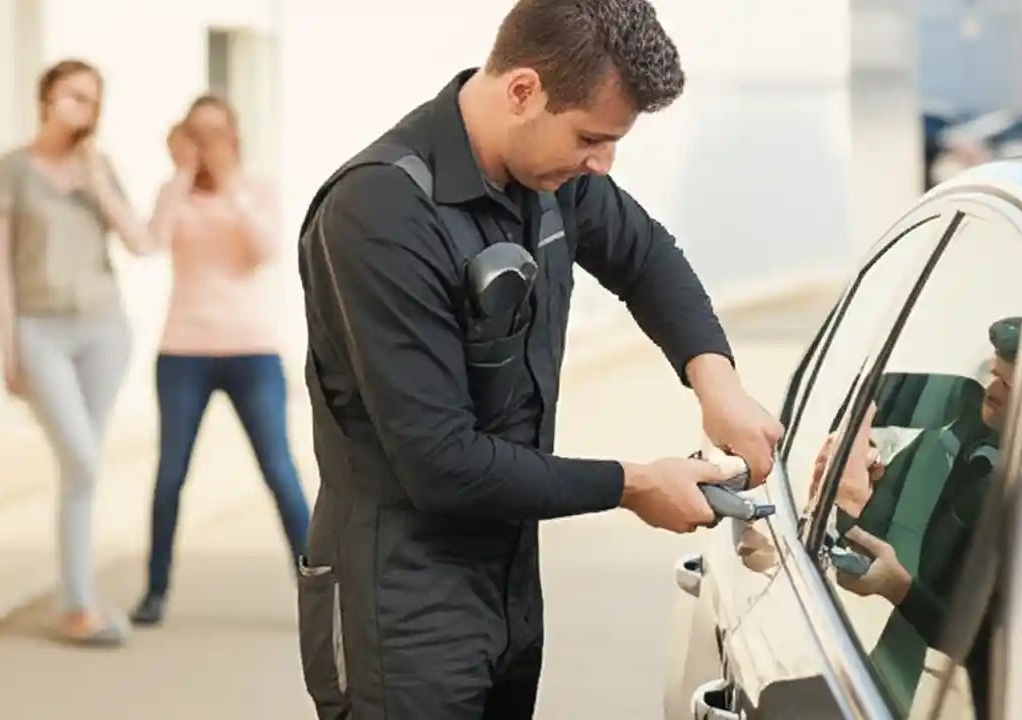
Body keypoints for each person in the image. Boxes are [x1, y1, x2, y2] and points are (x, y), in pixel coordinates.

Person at [294, 1, 783, 718]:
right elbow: (442, 462)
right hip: (398, 601)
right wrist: (634, 485)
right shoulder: (382, 212)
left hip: (509, 579)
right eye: (590, 138)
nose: (601, 164)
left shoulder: (554, 178)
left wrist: (719, 384)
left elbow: (646, 258)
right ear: (523, 90)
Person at [0, 58, 155, 646]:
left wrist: (97, 183)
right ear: (47, 99)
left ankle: (75, 601)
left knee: (80, 470)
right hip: (40, 332)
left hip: (104, 331)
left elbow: (141, 242)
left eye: (92, 99)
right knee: (82, 458)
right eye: (73, 96)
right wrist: (7, 348)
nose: (84, 108)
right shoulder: (11, 170)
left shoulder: (98, 168)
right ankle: (77, 599)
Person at [128, 96, 312, 626]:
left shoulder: (257, 189)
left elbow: (265, 248)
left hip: (251, 350)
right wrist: (182, 174)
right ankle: (155, 590)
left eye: (217, 134)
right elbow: (152, 243)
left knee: (279, 469)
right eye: (198, 133)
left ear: (234, 138)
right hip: (183, 350)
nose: (209, 144)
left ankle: (314, 584)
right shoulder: (175, 191)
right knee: (170, 475)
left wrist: (229, 184)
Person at [834, 316, 1022, 717]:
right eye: (993, 375)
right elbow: (864, 541)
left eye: (1009, 385)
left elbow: (992, 653)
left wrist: (900, 590)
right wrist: (855, 494)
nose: (989, 390)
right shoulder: (955, 440)